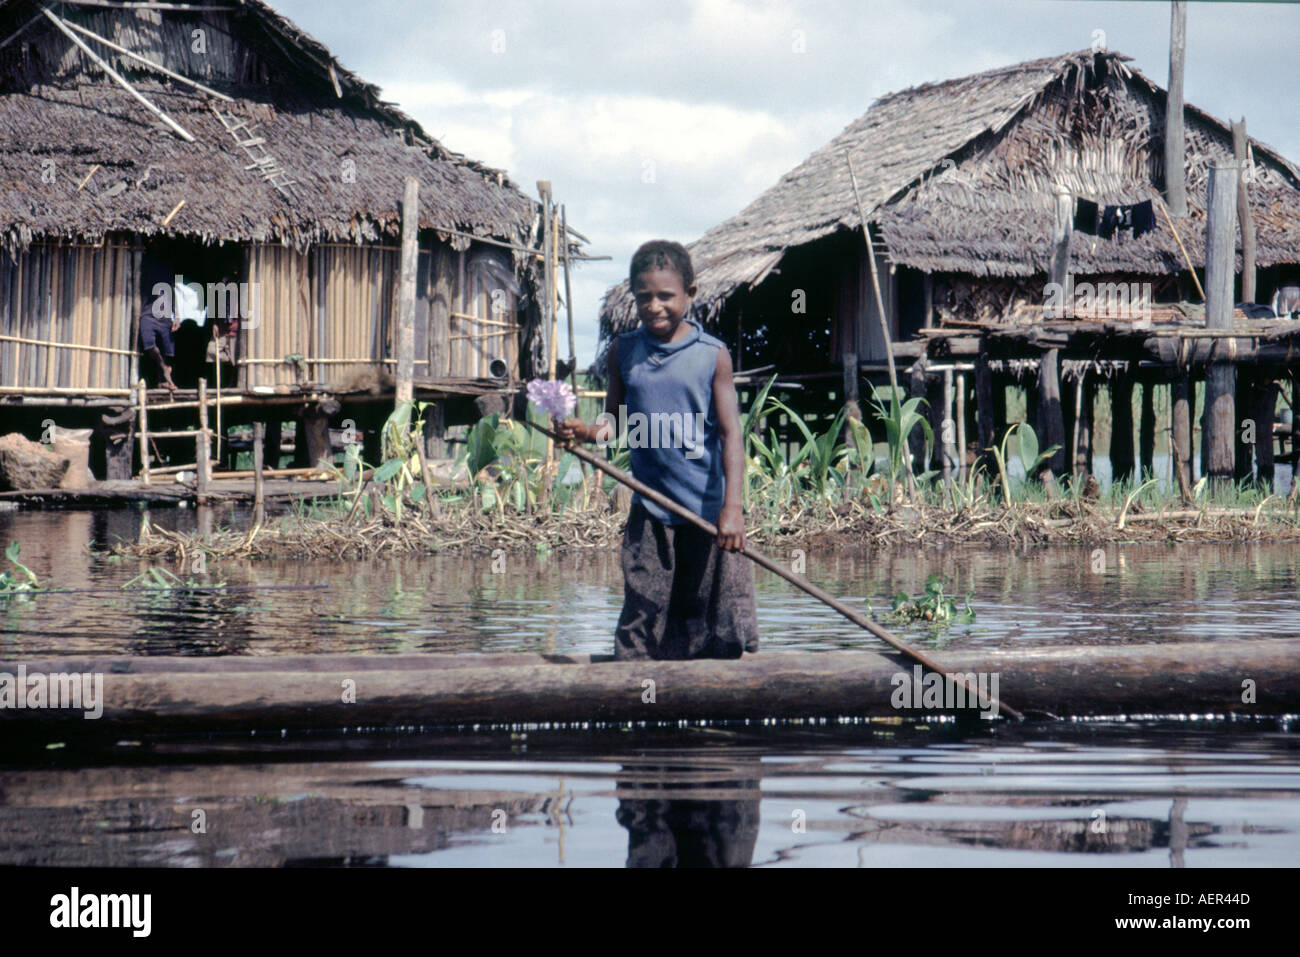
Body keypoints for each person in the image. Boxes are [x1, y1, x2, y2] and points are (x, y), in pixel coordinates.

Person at [556, 240, 758, 660]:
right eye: (644, 296)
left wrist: (732, 509)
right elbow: (612, 425)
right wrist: (583, 432)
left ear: (690, 294)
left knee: (709, 616)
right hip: (652, 508)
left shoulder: (711, 356)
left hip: (706, 510)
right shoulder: (625, 352)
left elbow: (730, 435)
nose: (654, 306)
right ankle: (639, 697)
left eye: (666, 296)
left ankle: (711, 701)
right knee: (644, 609)